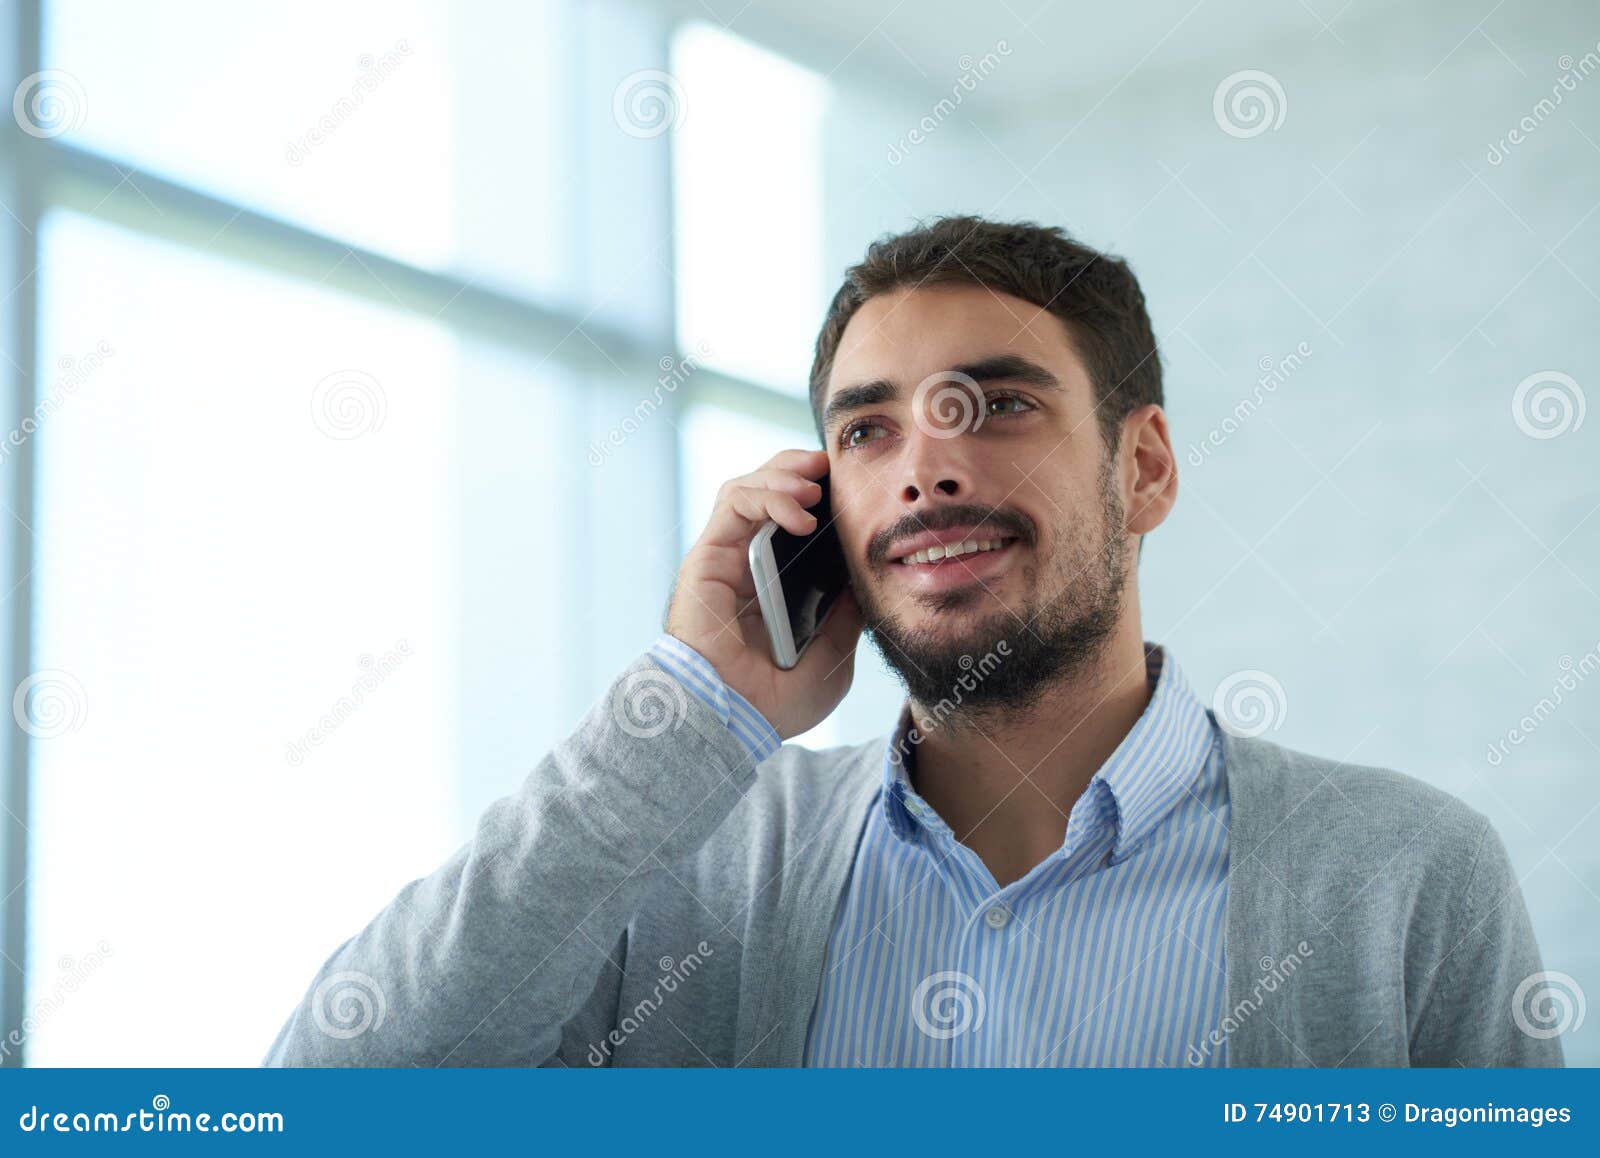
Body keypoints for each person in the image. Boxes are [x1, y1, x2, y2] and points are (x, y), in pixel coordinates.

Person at [267, 216, 1559, 1067]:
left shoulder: (1403, 877)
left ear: (1145, 468)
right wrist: (686, 706)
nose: (927, 471)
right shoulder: (702, 864)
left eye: (994, 405)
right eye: (869, 429)